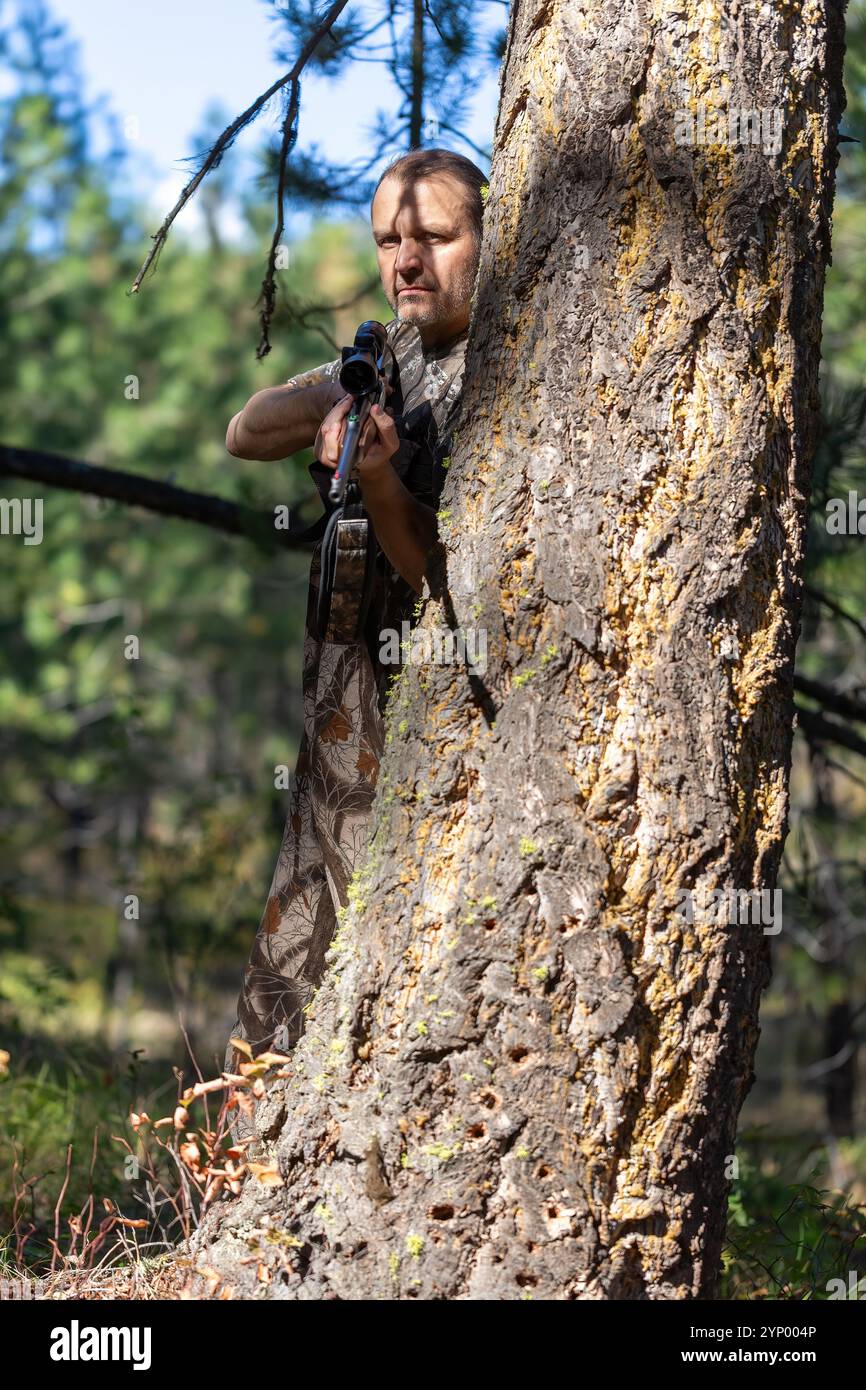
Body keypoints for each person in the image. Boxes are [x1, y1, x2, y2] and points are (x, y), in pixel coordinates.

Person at [222, 149, 485, 1140]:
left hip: (421, 735)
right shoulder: (390, 354)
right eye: (387, 240)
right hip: (336, 730)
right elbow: (246, 430)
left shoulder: (510, 365)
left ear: (488, 238)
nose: (405, 259)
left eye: (433, 236)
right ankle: (248, 1190)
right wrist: (339, 397)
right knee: (284, 988)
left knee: (394, 980)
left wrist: (377, 480)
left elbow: (442, 577)